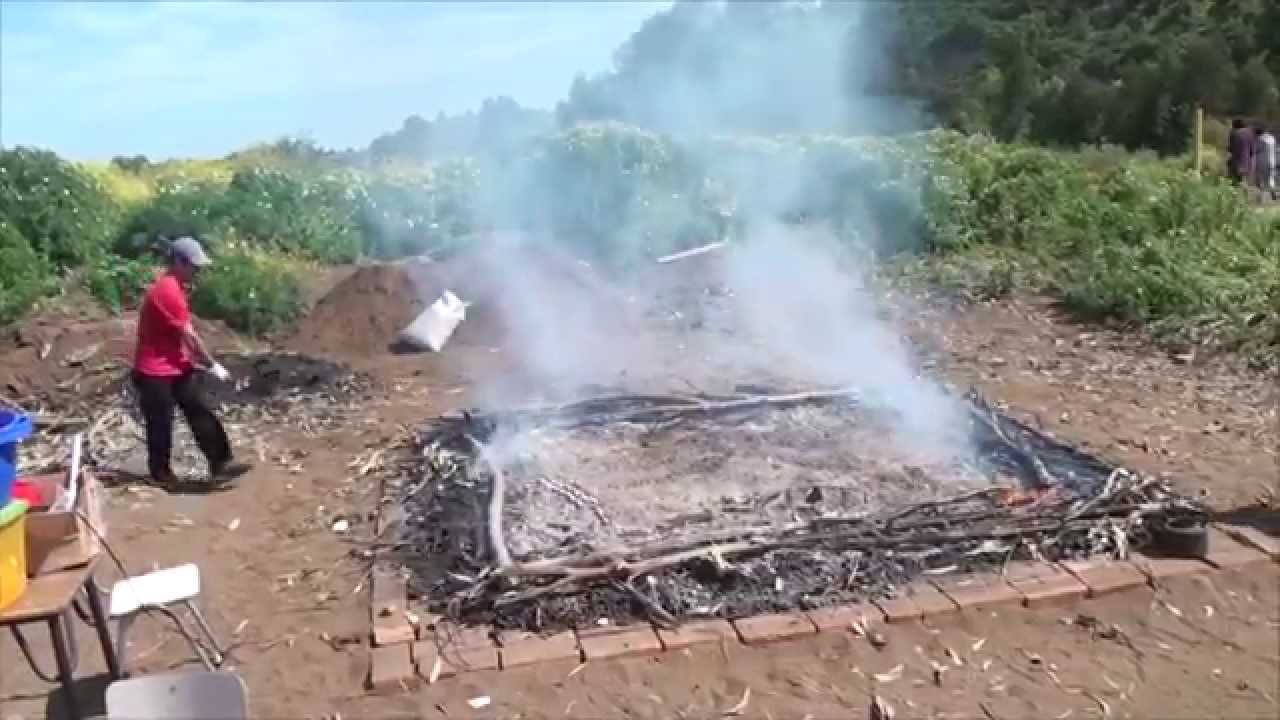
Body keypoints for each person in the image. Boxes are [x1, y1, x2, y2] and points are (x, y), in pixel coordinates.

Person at [132, 236, 250, 487]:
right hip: (154, 370)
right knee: (161, 423)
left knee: (199, 410)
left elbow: (183, 337)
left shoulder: (177, 288)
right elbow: (190, 336)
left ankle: (221, 463)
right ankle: (161, 474)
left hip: (176, 364)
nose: (197, 272)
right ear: (177, 262)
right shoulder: (167, 291)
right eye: (193, 267)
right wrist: (212, 365)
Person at [1226, 118, 1255, 186]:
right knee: (1242, 181)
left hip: (1235, 162)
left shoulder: (1233, 133)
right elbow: (1252, 150)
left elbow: (1230, 148)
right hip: (1246, 162)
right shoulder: (1250, 133)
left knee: (1234, 182)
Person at [1255, 124, 1276, 200]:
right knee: (1271, 178)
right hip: (1272, 161)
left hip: (1261, 161)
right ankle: (1272, 191)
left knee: (1260, 179)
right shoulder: (1271, 138)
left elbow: (1256, 150)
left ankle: (1260, 196)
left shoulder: (1258, 140)